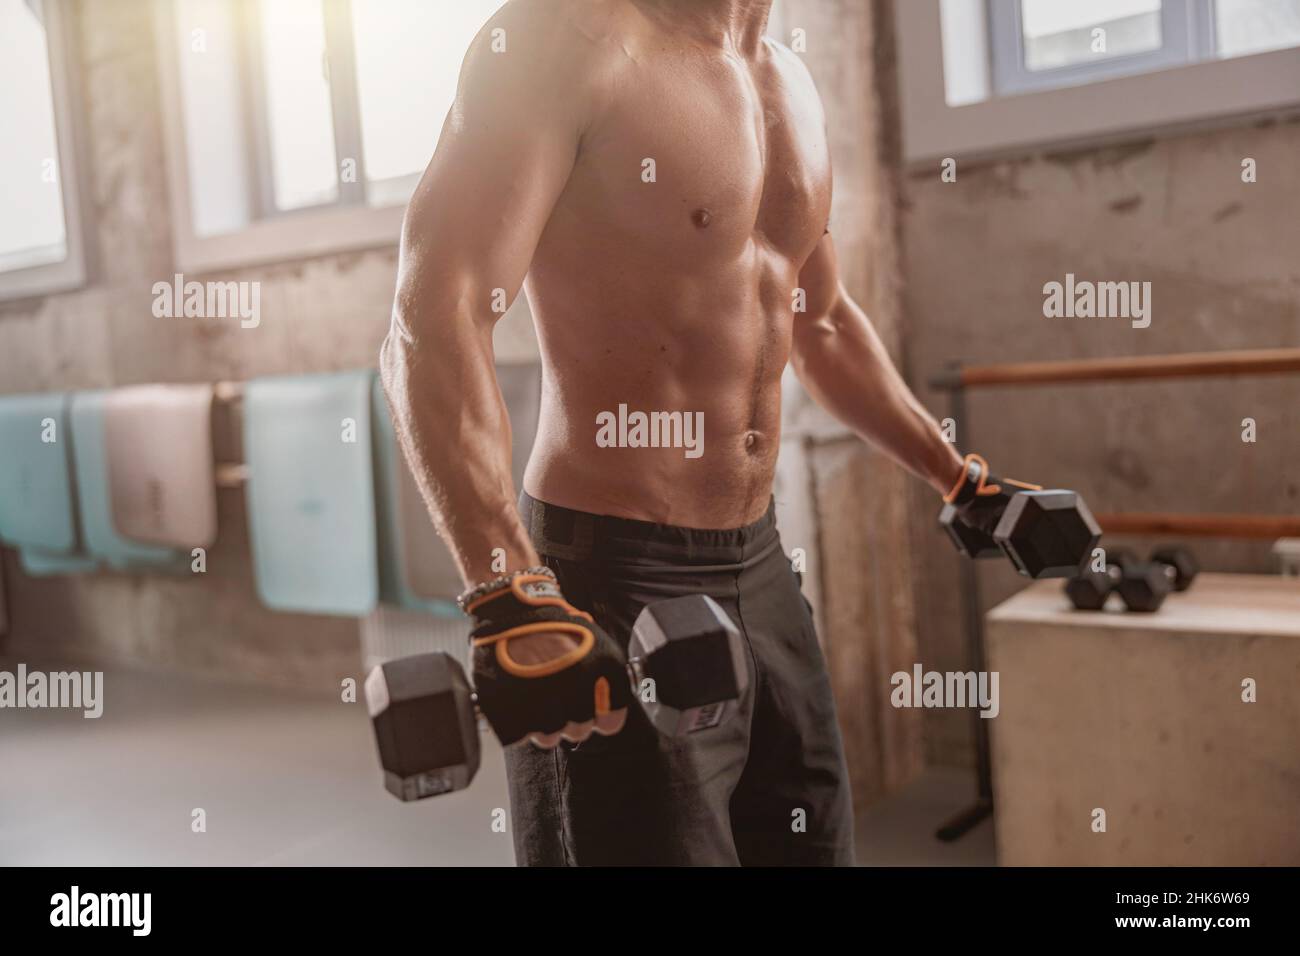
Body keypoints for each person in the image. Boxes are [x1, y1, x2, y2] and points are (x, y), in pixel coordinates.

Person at [381, 0, 983, 866]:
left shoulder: (792, 81)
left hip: (764, 573)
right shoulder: (564, 41)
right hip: (611, 579)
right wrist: (508, 588)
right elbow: (431, 318)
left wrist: (959, 478)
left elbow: (820, 321)